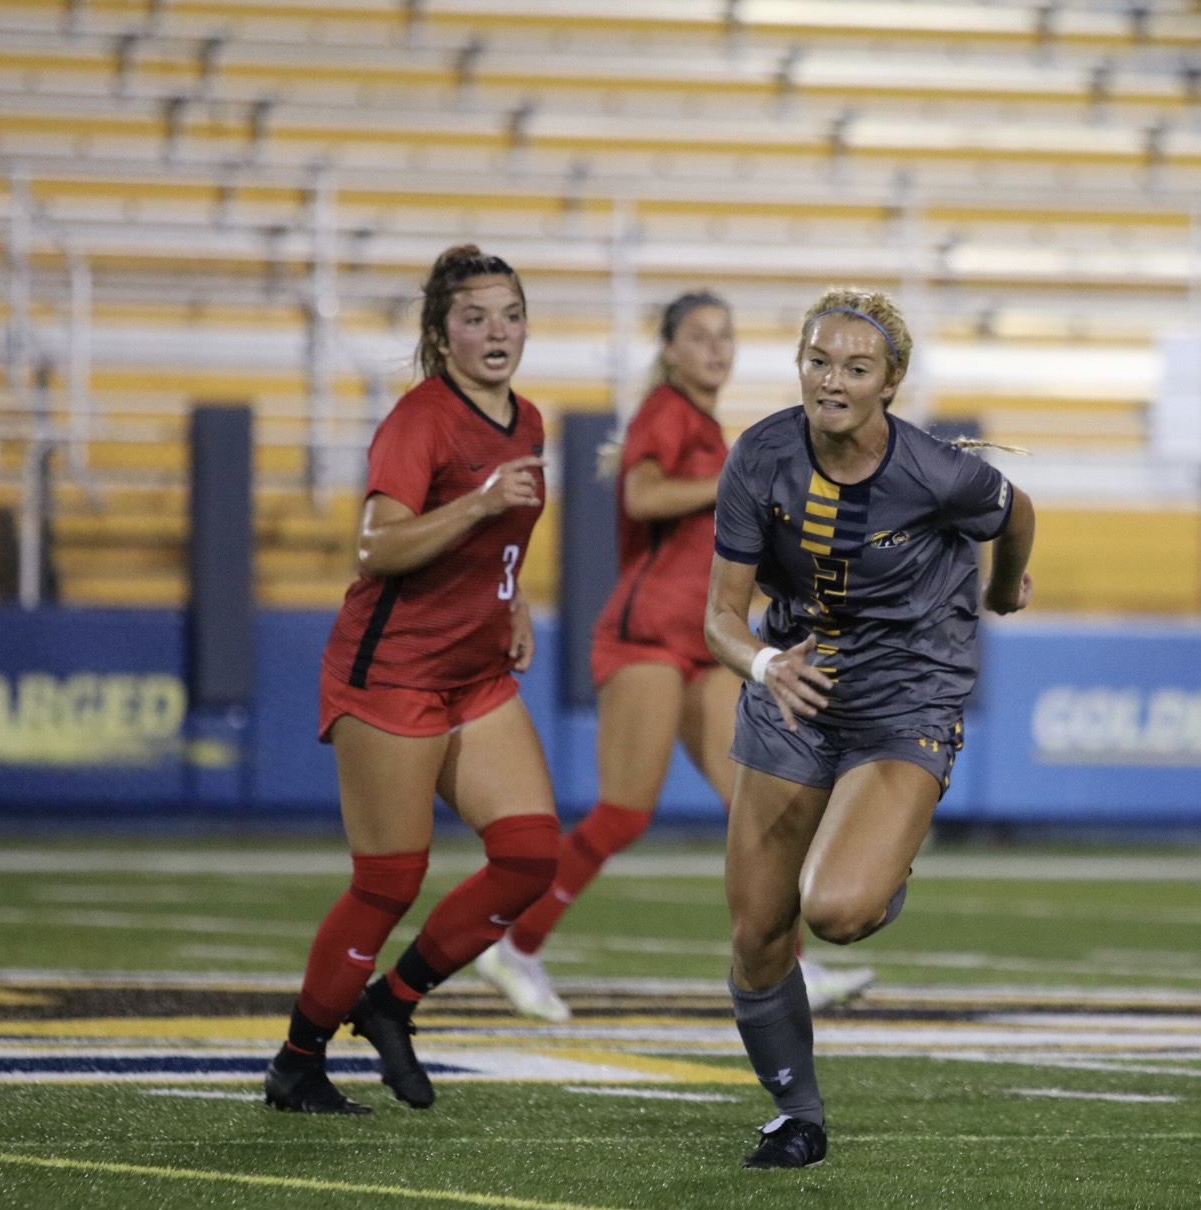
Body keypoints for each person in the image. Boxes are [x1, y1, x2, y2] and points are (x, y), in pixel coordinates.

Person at [704, 287, 1035, 1168]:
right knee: (757, 930)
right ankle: (796, 1116)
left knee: (840, 911)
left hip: (906, 699)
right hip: (793, 689)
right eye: (818, 361)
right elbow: (721, 621)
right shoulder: (760, 457)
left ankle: (881, 864)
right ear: (799, 365)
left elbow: (1017, 511)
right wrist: (767, 666)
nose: (832, 380)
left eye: (856, 367)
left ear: (891, 382)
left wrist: (1003, 591)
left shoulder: (935, 469)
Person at [477, 292, 873, 1021]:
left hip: (701, 647)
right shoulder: (667, 410)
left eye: (727, 336)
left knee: (762, 808)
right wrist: (738, 484)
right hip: (646, 639)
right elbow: (641, 493)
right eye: (701, 336)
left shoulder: (704, 426)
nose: (718, 349)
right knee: (624, 813)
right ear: (670, 348)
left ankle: (794, 968)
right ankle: (513, 945)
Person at [264, 244, 560, 1113]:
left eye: (510, 314)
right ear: (442, 333)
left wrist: (513, 603)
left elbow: (504, 536)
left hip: (474, 675)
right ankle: (296, 1060)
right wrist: (476, 504)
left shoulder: (529, 419)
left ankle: (391, 1004)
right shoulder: (418, 420)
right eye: (475, 318)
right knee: (388, 880)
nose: (497, 332)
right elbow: (377, 546)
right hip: (392, 674)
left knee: (529, 857)